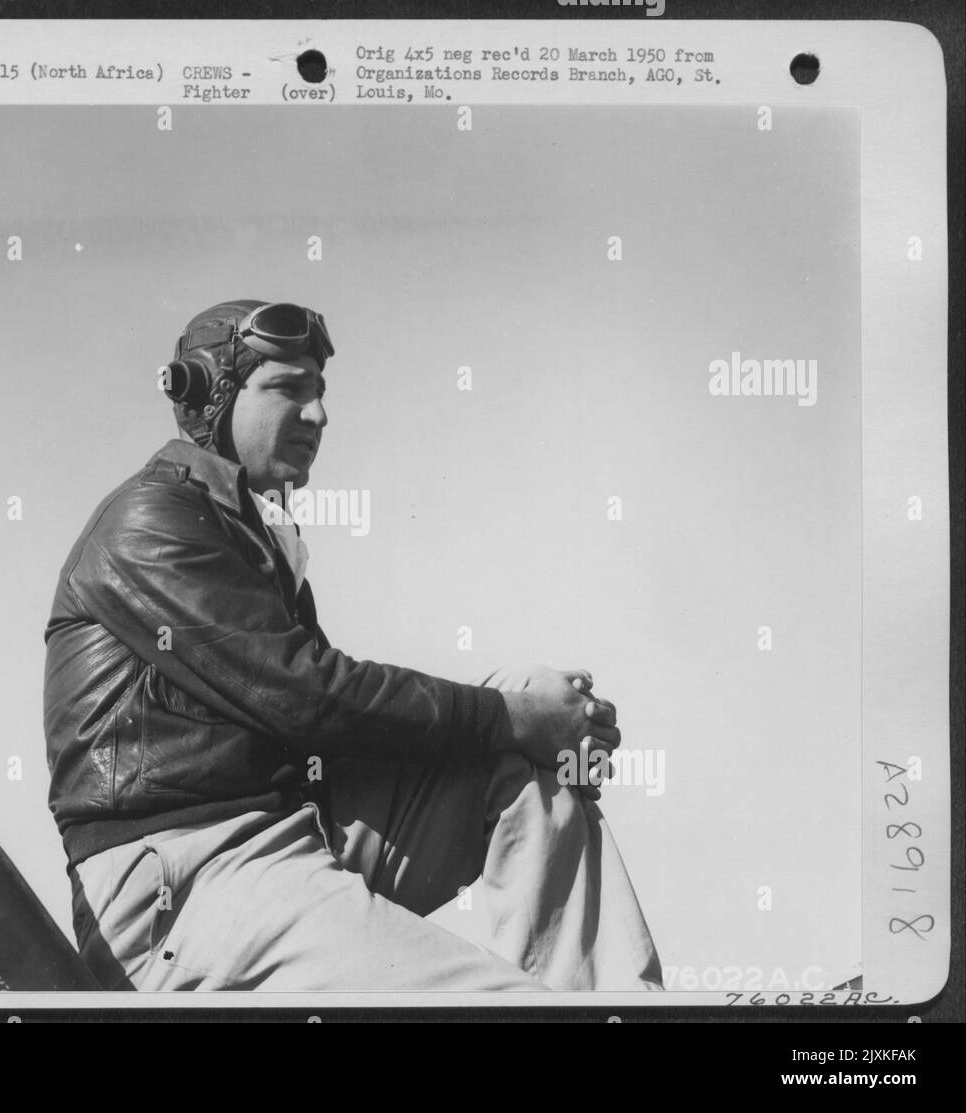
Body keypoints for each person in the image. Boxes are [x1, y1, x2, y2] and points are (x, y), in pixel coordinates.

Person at [43, 299, 663, 991]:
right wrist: (519, 716)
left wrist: (539, 718)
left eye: (319, 392)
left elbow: (327, 726)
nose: (317, 415)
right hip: (181, 881)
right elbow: (310, 696)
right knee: (487, 1003)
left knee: (519, 734)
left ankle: (613, 1004)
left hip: (290, 831)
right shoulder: (151, 522)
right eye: (287, 388)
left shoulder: (252, 536)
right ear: (212, 396)